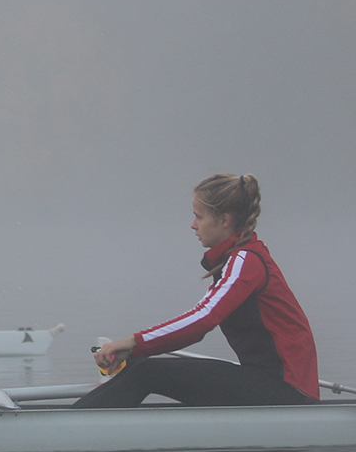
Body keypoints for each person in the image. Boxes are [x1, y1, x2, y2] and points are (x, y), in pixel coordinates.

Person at [77, 174, 319, 408]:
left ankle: (72, 430)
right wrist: (135, 350)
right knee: (139, 365)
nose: (193, 225)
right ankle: (76, 424)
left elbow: (202, 321)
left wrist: (132, 342)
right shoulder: (236, 261)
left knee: (147, 371)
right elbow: (200, 316)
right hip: (269, 385)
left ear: (224, 220)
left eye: (199, 217)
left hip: (287, 391)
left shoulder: (247, 260)